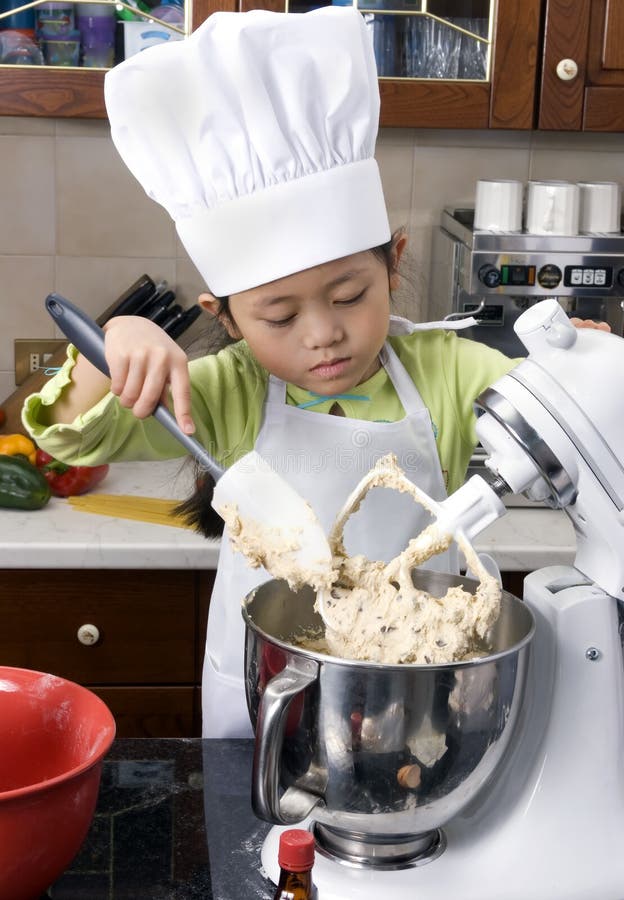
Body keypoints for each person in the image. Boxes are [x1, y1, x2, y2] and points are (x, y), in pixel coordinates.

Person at [21, 8, 608, 738]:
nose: (323, 334)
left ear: (393, 264)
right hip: (267, 684)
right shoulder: (229, 391)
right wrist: (119, 347)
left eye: (350, 296)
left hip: (418, 676)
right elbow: (78, 440)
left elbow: (566, 410)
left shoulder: (449, 369)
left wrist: (583, 369)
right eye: (279, 316)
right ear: (226, 317)